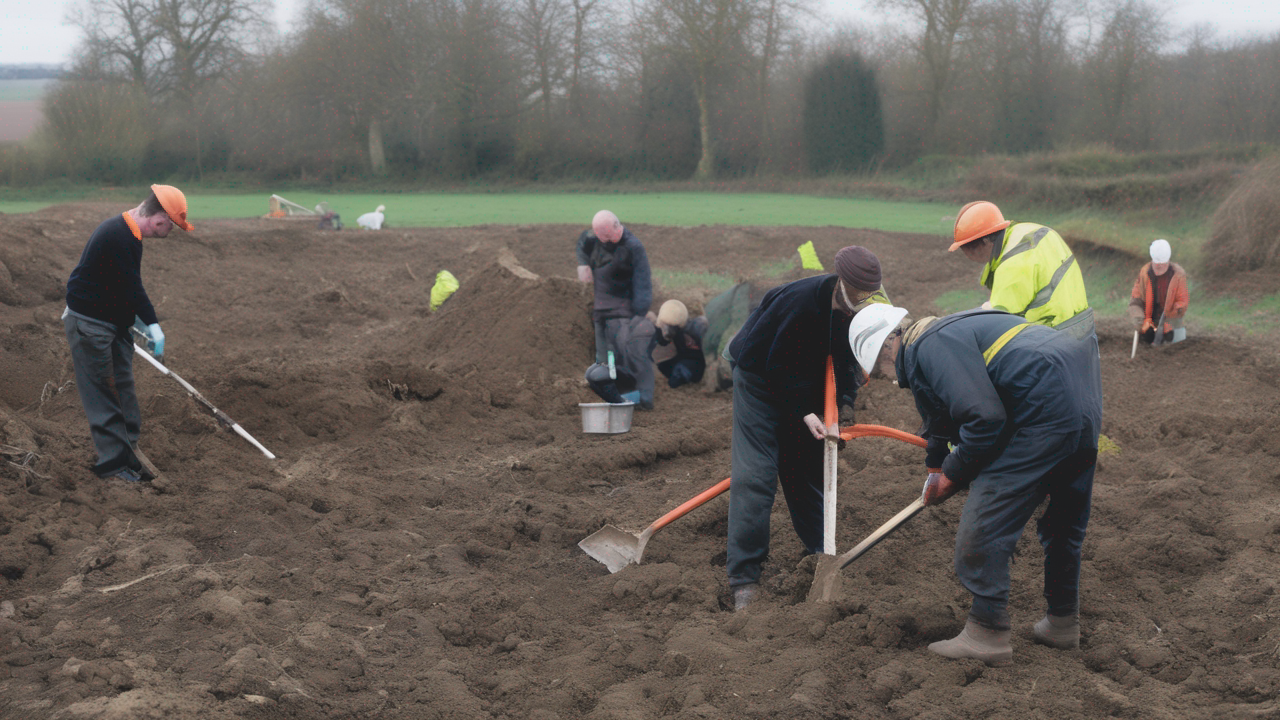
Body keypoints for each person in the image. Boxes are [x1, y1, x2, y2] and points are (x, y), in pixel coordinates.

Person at [847, 303, 1103, 665]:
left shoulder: (928, 346)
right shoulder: (948, 330)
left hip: (1042, 413)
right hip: (1082, 401)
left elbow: (983, 418)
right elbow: (942, 413)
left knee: (984, 524)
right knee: (1063, 520)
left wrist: (953, 474)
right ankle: (1062, 623)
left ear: (889, 343)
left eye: (878, 365)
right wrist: (937, 466)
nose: (888, 376)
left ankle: (986, 634)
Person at [724, 246, 891, 610]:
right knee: (756, 475)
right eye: (859, 293)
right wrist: (803, 412)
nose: (865, 300)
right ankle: (744, 578)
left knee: (805, 468)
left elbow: (849, 358)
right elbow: (775, 365)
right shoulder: (799, 303)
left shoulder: (859, 309)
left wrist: (843, 404)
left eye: (870, 295)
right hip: (760, 379)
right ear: (842, 283)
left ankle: (819, 553)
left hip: (806, 382)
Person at [63, 185, 194, 482]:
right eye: (172, 227)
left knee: (123, 388)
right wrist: (153, 326)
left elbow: (119, 285)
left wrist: (132, 324)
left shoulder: (129, 234)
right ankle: (114, 466)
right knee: (103, 394)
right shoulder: (118, 234)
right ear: (160, 220)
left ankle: (129, 451)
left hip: (110, 323)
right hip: (88, 324)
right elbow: (133, 288)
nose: (170, 232)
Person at [950, 201, 1093, 341]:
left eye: (967, 248)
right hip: (1082, 325)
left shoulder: (1012, 265)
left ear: (985, 242)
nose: (966, 254)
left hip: (1054, 337)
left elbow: (998, 320)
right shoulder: (1025, 232)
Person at [576, 210, 656, 409]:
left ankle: (642, 398)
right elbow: (582, 242)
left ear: (615, 227)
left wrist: (638, 315)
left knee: (628, 355)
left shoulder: (633, 247)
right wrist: (583, 265)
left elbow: (643, 283)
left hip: (623, 314)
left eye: (607, 236)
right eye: (600, 238)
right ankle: (619, 395)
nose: (604, 241)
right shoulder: (597, 239)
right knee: (606, 360)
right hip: (602, 314)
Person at [1129, 239, 1189, 346]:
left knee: (1176, 341)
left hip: (1170, 318)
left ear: (1168, 261)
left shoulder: (1178, 275)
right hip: (1149, 319)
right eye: (1157, 264)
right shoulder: (1145, 273)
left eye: (1162, 264)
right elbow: (1135, 300)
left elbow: (1182, 302)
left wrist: (1169, 320)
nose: (1159, 267)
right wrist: (1141, 320)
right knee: (1146, 339)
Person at [650, 300, 708, 389]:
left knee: (680, 371)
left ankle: (671, 388)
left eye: (669, 325)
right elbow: (663, 341)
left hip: (698, 363)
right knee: (661, 367)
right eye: (665, 325)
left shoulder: (698, 326)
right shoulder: (673, 328)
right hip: (681, 358)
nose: (667, 329)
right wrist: (657, 328)